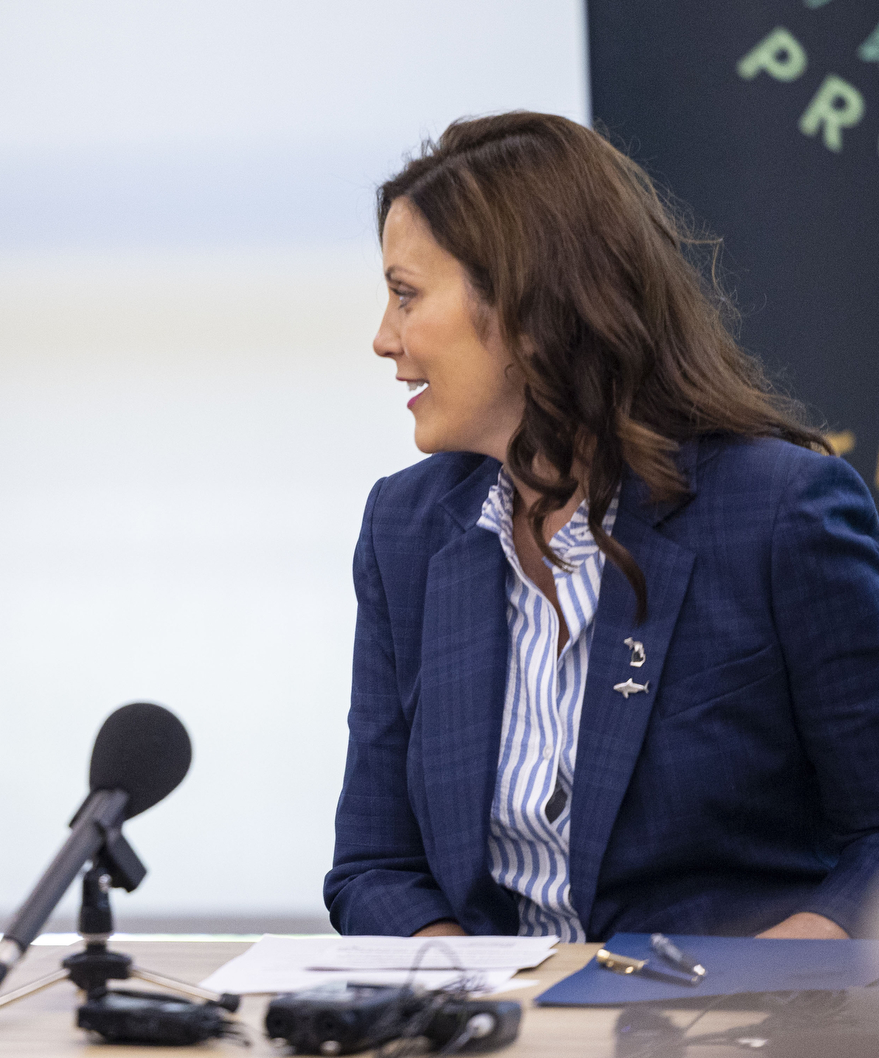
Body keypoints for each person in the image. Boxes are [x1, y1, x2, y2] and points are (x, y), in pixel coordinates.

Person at [324, 112, 879, 942]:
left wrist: (771, 979)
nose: (383, 338)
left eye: (406, 295)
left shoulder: (780, 513)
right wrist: (470, 1003)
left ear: (531, 310)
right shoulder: (405, 530)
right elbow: (376, 866)